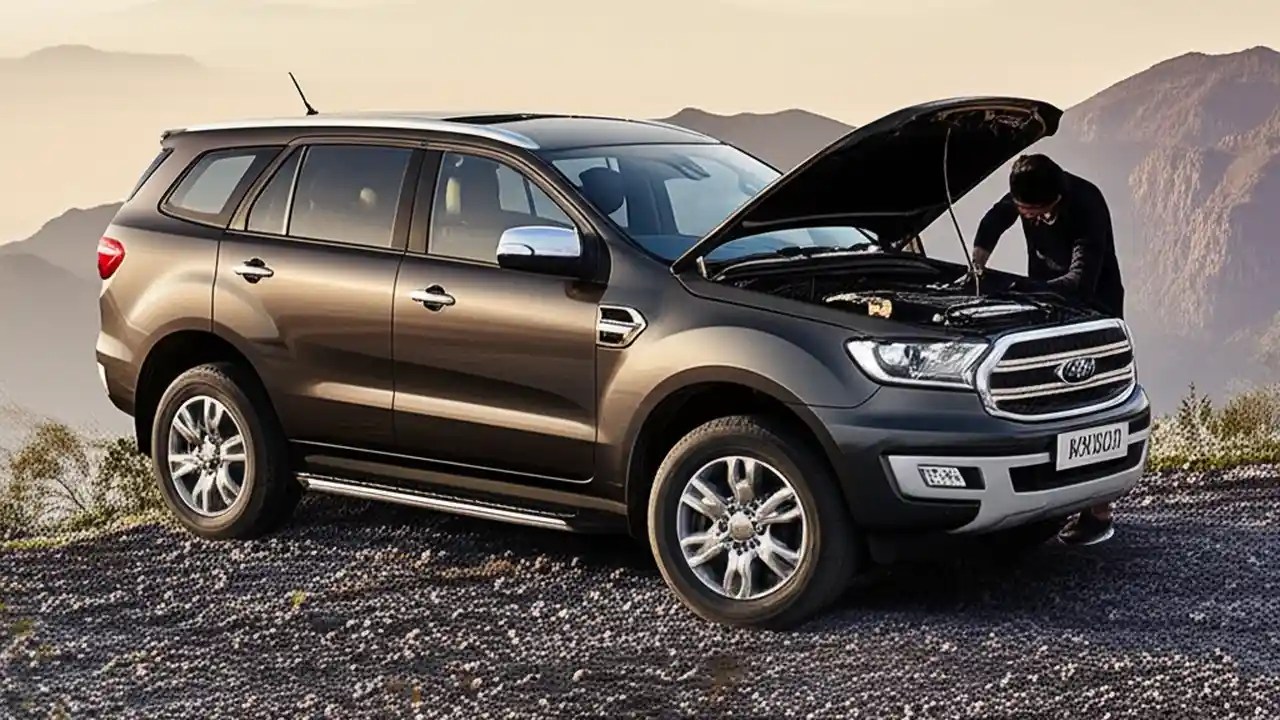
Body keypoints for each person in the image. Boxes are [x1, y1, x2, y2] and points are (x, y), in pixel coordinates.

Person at [971, 153, 1126, 546]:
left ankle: (1099, 511)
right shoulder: (1025, 190)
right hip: (1043, 306)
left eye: (1036, 213)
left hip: (1094, 310)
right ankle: (1048, 500)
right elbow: (996, 218)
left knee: (1092, 402)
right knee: (1042, 401)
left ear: (1054, 199)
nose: (1030, 219)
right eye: (1025, 212)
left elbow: (1080, 281)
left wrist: (1016, 288)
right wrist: (978, 259)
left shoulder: (1087, 204)